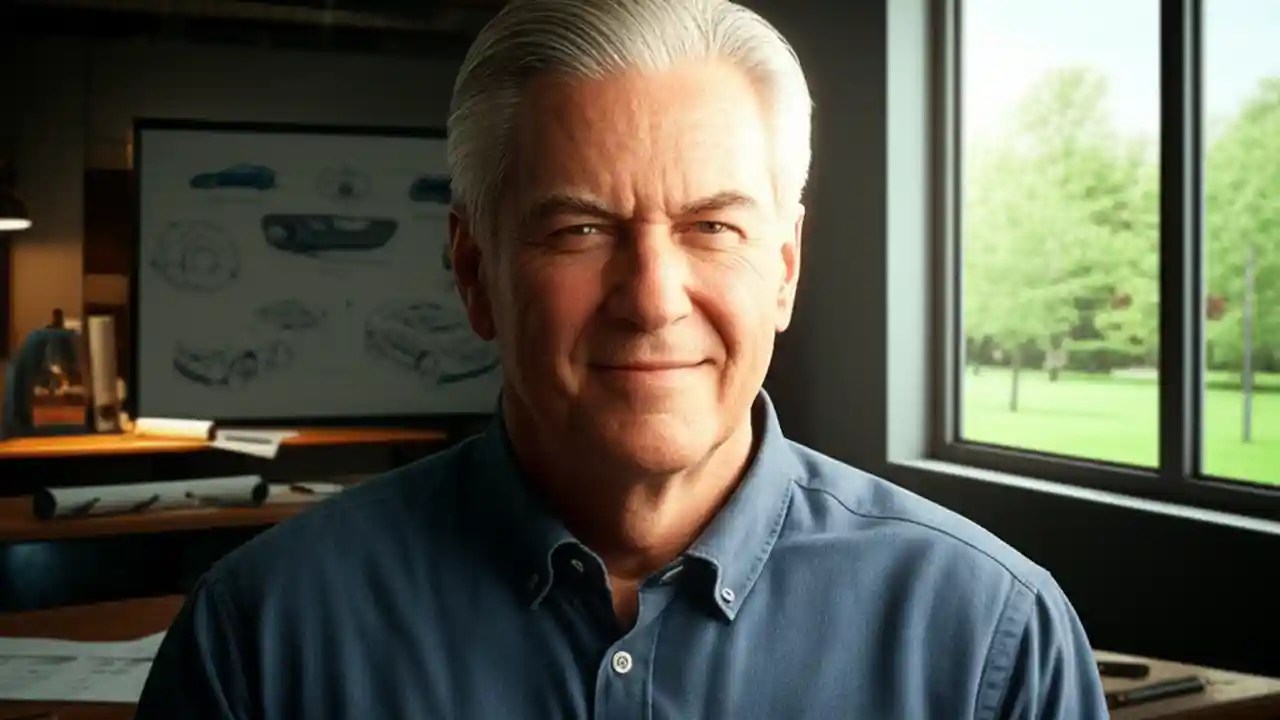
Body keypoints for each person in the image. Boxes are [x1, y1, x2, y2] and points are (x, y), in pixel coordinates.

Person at [135, 1, 1108, 717]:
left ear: (783, 267)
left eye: (711, 227)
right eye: (580, 229)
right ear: (473, 273)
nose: (650, 298)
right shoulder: (260, 638)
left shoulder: (990, 638)